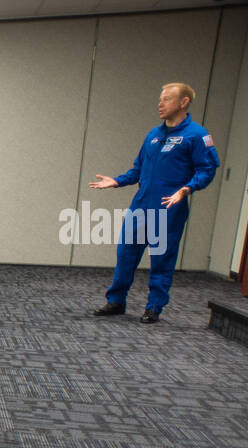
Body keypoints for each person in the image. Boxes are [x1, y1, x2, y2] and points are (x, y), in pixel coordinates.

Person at [91, 82, 220, 324]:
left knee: (161, 258)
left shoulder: (197, 135)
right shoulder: (153, 135)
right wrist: (117, 181)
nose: (160, 104)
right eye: (160, 99)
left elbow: (207, 169)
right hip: (141, 205)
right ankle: (116, 301)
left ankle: (154, 307)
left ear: (184, 102)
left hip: (168, 207)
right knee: (126, 253)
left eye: (167, 99)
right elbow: (138, 170)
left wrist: (187, 188)